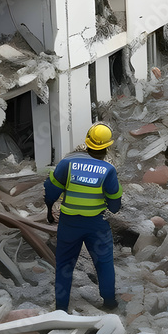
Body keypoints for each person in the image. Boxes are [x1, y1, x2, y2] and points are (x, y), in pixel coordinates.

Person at [44, 123, 122, 312]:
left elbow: (51, 190)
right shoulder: (108, 170)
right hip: (97, 225)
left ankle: (61, 308)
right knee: (104, 263)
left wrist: (48, 210)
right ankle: (109, 302)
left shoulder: (67, 164)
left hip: (69, 224)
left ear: (87, 142)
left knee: (64, 265)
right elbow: (115, 205)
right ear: (107, 146)